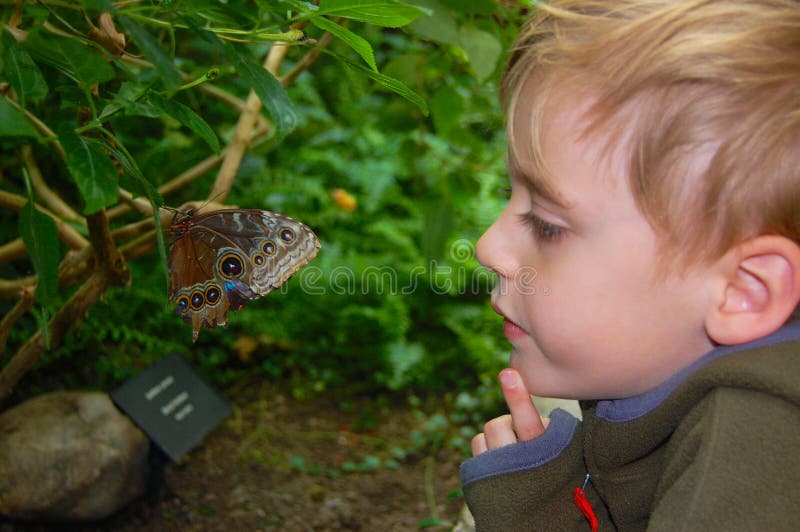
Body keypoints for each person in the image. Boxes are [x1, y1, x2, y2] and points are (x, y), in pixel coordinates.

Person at [460, 0, 800, 529]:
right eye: (510, 195)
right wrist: (555, 502)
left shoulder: (755, 453)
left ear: (743, 291)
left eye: (547, 224)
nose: (488, 247)